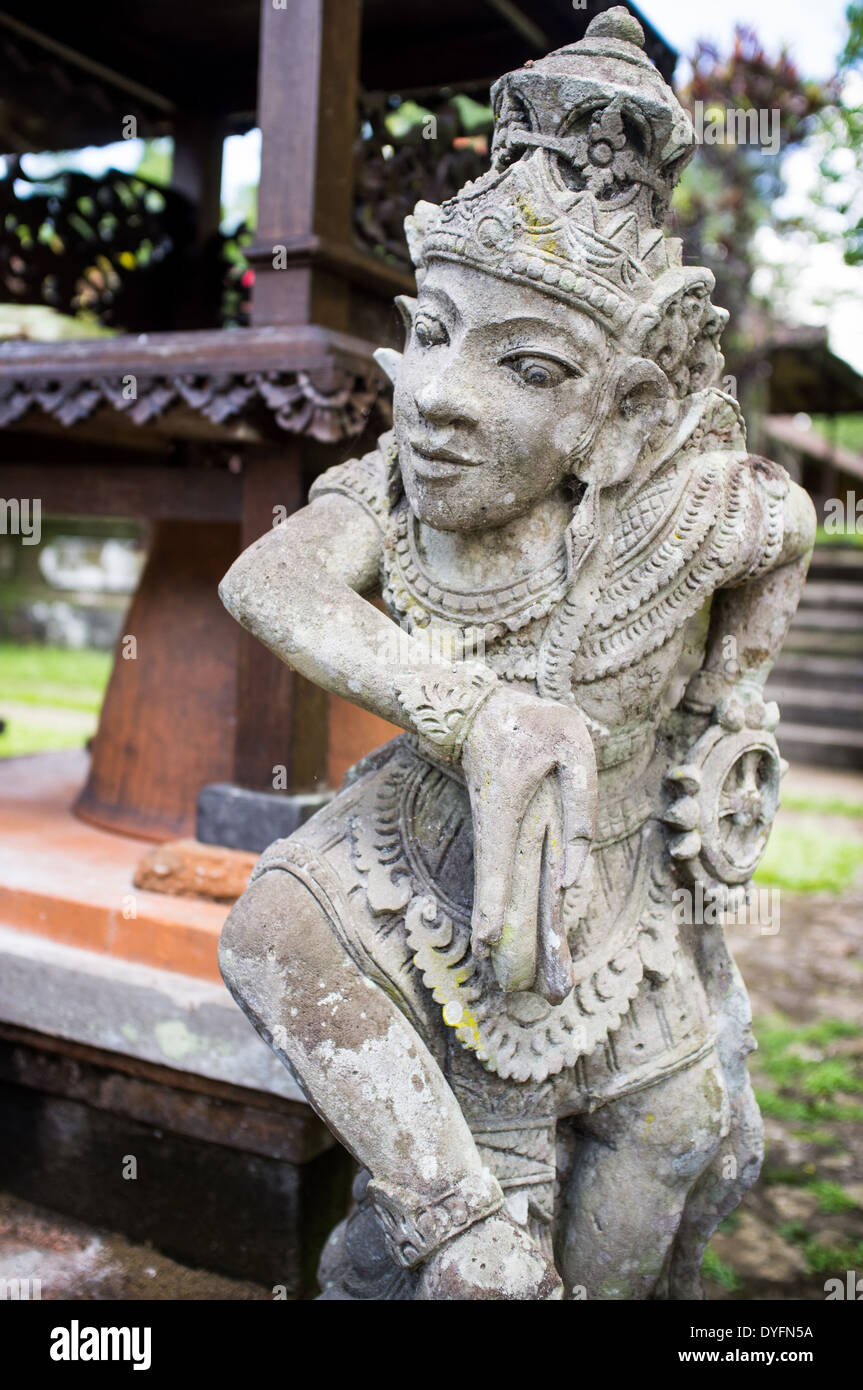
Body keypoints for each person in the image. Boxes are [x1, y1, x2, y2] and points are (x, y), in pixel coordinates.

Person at [217, 9, 815, 1299]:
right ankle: (448, 1236)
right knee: (283, 946)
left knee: (678, 1137)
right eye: (433, 334)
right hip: (425, 873)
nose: (439, 397)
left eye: (526, 366)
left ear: (623, 412)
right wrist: (468, 708)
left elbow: (790, 527)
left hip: (625, 904)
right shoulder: (392, 488)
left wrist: (735, 705)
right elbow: (271, 578)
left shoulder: (697, 512)